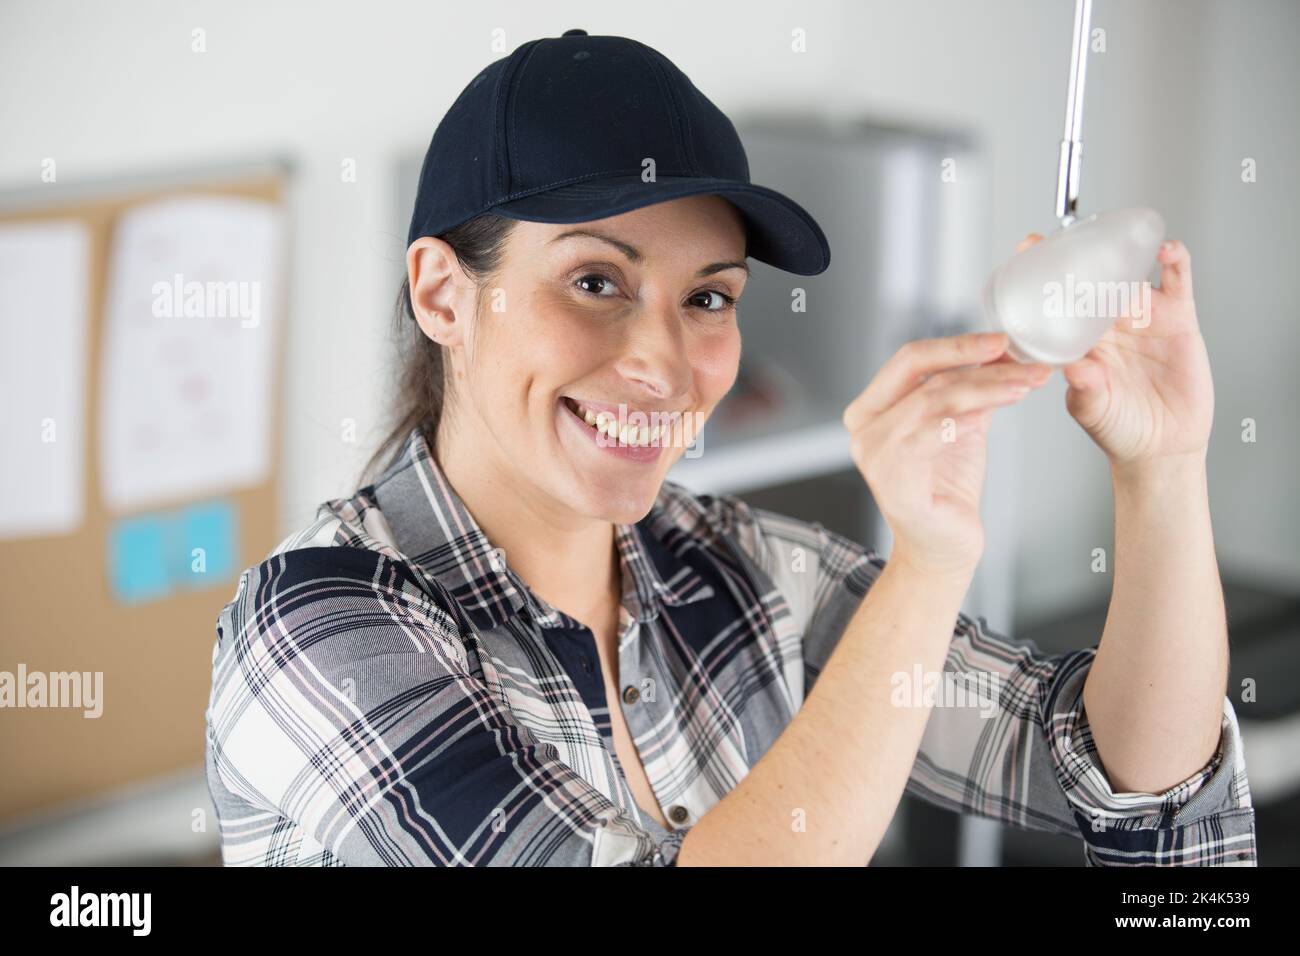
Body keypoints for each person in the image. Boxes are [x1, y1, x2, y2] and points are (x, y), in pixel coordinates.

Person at [202, 29, 1256, 866]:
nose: (664, 360)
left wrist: (1159, 466)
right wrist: (926, 563)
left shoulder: (739, 569)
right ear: (443, 291)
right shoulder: (318, 626)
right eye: (595, 281)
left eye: (708, 296)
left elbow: (1125, 773)